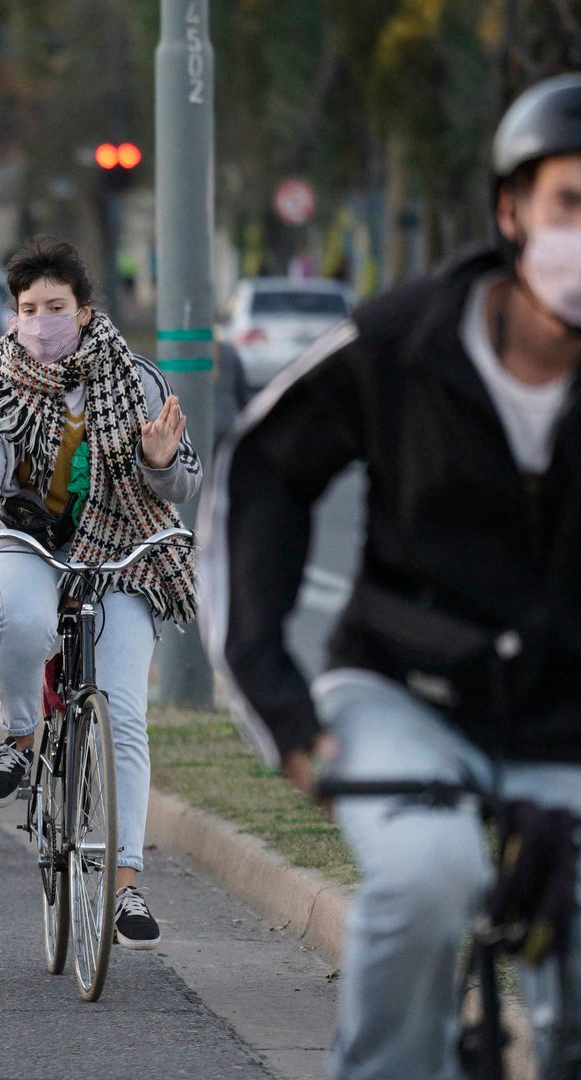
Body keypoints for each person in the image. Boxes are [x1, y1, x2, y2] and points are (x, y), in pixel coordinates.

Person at [207, 73, 581, 1079]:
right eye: (569, 206)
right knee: (428, 877)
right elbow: (265, 475)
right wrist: (281, 706)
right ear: (511, 210)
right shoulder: (404, 339)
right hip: (401, 697)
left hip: (565, 717)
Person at [0, 236, 200, 948]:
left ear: (85, 312)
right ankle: (21, 737)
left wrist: (163, 462)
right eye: (29, 308)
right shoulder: (1, 385)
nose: (42, 320)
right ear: (15, 316)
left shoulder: (136, 379)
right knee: (22, 622)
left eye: (56, 307)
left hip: (123, 554)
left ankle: (127, 887)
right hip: (27, 544)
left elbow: (183, 483)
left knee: (122, 714)